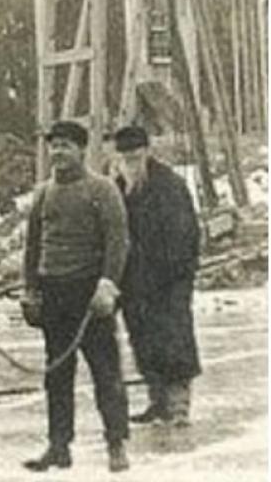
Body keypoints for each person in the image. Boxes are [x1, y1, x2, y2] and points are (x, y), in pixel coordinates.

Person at [20, 120, 131, 473]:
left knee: (105, 371)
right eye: (53, 146)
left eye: (66, 146)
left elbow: (118, 240)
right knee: (57, 373)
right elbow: (33, 246)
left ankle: (116, 444)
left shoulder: (102, 189)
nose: (58, 153)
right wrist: (30, 290)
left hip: (90, 293)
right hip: (54, 293)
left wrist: (107, 284)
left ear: (82, 150)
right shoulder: (42, 193)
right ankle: (58, 446)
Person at [111, 125, 201, 427]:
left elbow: (185, 235)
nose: (130, 161)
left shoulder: (169, 185)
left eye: (135, 155)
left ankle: (178, 407)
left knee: (173, 341)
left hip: (168, 282)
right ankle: (157, 402)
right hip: (134, 284)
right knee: (143, 341)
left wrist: (176, 276)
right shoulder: (118, 188)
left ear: (147, 151)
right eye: (125, 156)